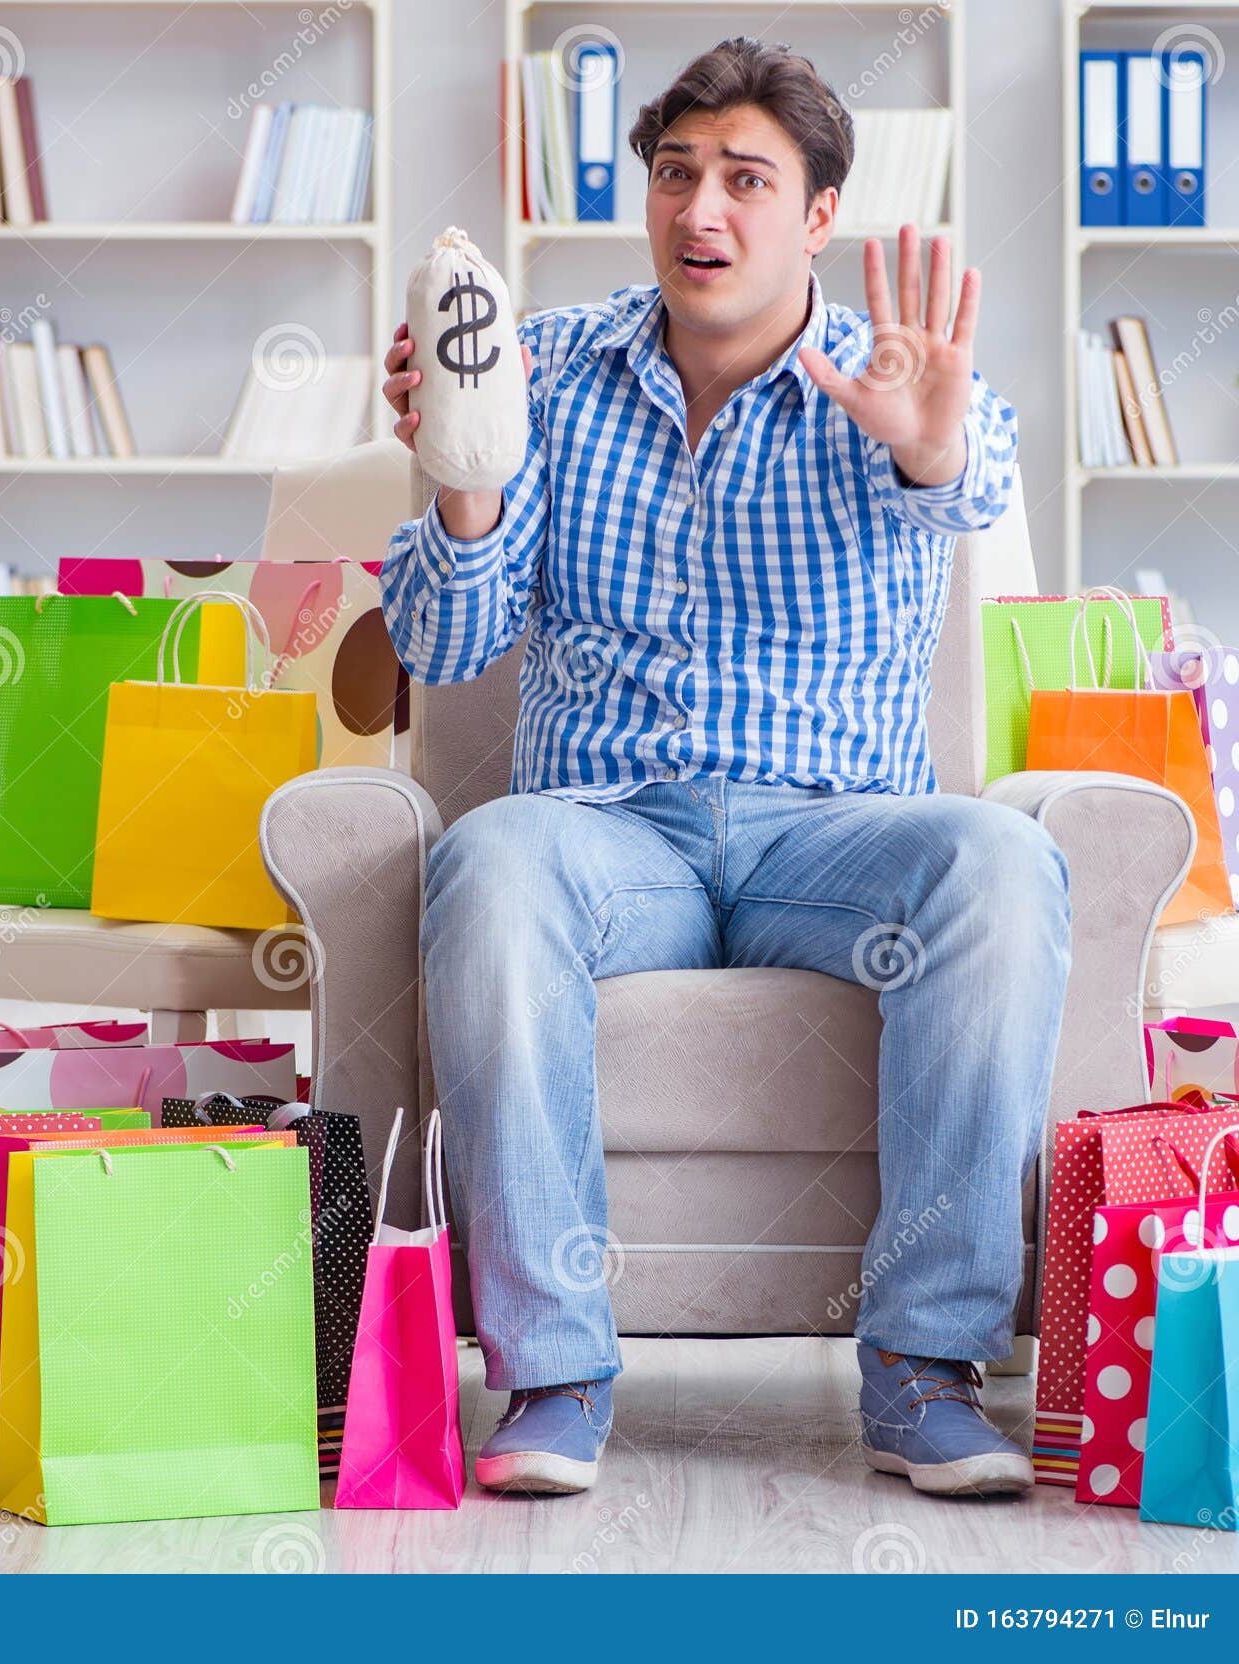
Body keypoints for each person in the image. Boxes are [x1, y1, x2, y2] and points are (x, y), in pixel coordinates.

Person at [377, 37, 1065, 1500]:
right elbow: (442, 645)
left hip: (837, 845)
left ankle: (923, 1372)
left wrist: (934, 452)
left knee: (1002, 857)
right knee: (487, 860)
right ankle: (555, 1376)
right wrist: (465, 470)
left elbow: (976, 474)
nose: (703, 210)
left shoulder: (892, 379)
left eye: (748, 180)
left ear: (817, 214)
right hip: (610, 837)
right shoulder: (547, 366)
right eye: (677, 173)